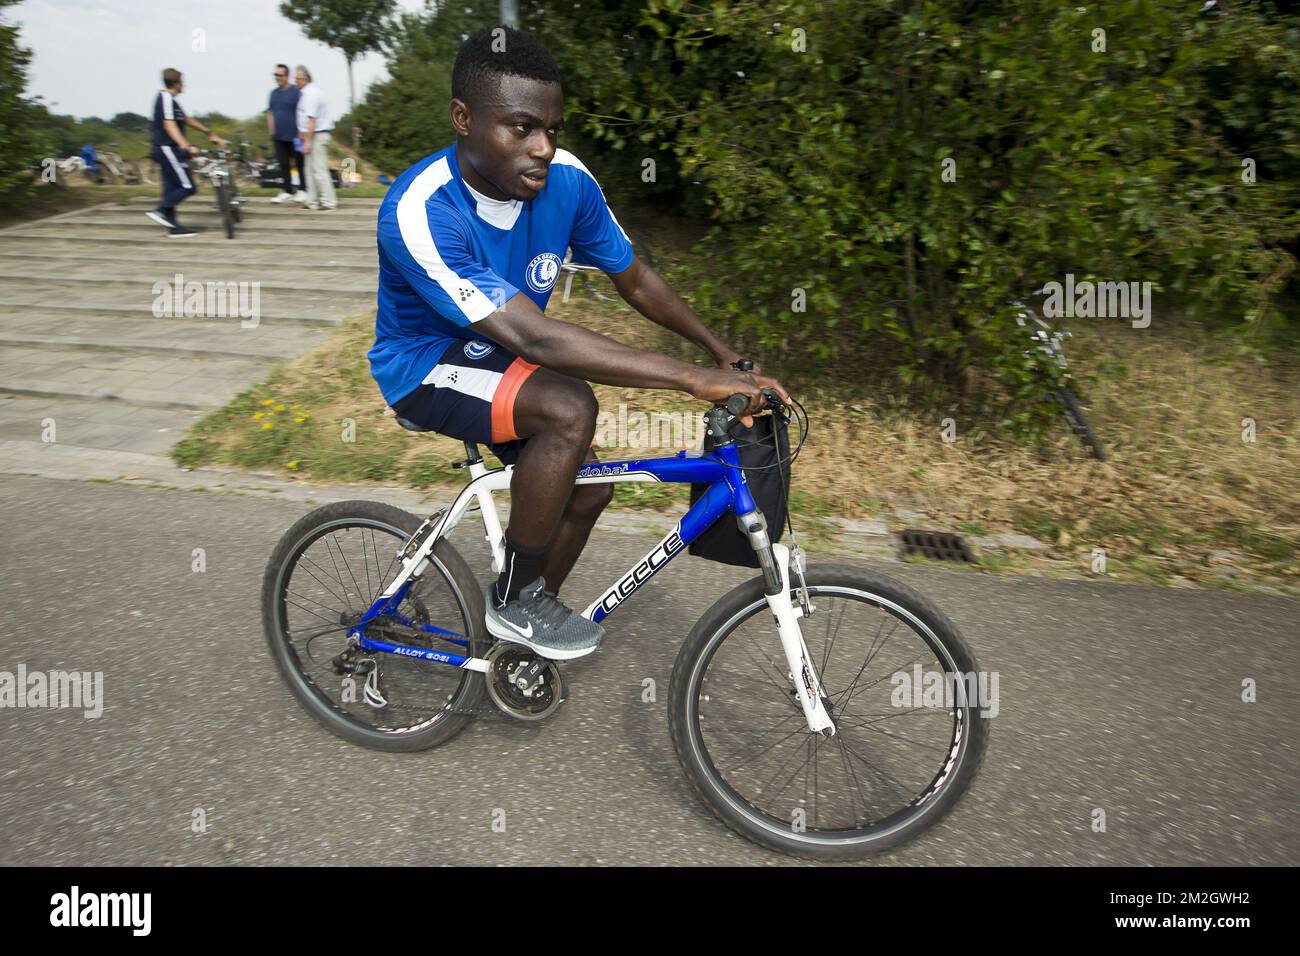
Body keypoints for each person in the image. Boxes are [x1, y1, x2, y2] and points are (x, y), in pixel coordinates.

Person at [368, 27, 788, 660]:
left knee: (589, 488)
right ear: (462, 118)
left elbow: (635, 277)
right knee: (568, 406)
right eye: (521, 128)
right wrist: (689, 380)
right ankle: (515, 599)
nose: (543, 148)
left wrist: (717, 353)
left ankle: (517, 633)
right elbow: (534, 337)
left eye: (553, 129)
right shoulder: (421, 209)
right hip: (424, 363)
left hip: (498, 359)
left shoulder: (564, 180)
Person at [146, 68, 226, 237]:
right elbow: (169, 125)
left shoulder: (172, 101)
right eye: (182, 82)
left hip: (166, 149)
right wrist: (186, 146)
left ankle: (174, 228)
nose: (184, 85)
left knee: (170, 189)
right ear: (176, 84)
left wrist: (209, 133)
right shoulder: (166, 98)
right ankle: (161, 210)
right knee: (187, 186)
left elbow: (187, 119)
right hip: (166, 148)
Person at [294, 65, 336, 210]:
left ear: (305, 79)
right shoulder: (307, 94)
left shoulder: (310, 95)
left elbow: (312, 120)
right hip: (312, 135)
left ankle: (329, 202)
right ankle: (312, 201)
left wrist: (306, 142)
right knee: (309, 171)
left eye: (297, 78)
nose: (295, 82)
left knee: (319, 170)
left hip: (317, 135)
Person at [266, 63, 305, 204]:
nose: (277, 77)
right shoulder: (273, 93)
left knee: (300, 163)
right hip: (279, 137)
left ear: (287, 76)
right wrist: (272, 131)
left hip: (296, 136)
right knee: (283, 164)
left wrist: (302, 132)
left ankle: (303, 190)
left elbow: (303, 112)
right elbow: (270, 112)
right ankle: (287, 191)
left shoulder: (296, 92)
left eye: (280, 75)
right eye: (275, 75)